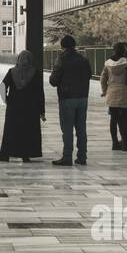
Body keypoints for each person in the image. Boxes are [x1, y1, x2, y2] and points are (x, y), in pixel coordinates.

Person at [0, 50, 44, 162]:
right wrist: (41, 110)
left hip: (14, 106)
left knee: (10, 130)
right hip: (31, 108)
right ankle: (25, 155)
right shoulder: (35, 73)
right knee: (28, 131)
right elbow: (39, 93)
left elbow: (2, 86)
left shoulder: (12, 71)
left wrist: (7, 99)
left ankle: (5, 155)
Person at [48, 34, 90, 166]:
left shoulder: (62, 59)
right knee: (81, 128)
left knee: (67, 129)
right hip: (83, 97)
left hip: (67, 98)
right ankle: (82, 156)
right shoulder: (83, 59)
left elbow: (53, 81)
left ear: (62, 46)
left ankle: (67, 157)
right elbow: (88, 74)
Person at [99, 42, 127, 151]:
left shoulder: (108, 63)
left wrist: (105, 91)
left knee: (113, 119)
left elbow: (103, 79)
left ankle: (114, 143)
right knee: (125, 119)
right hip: (125, 93)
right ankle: (124, 143)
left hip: (112, 93)